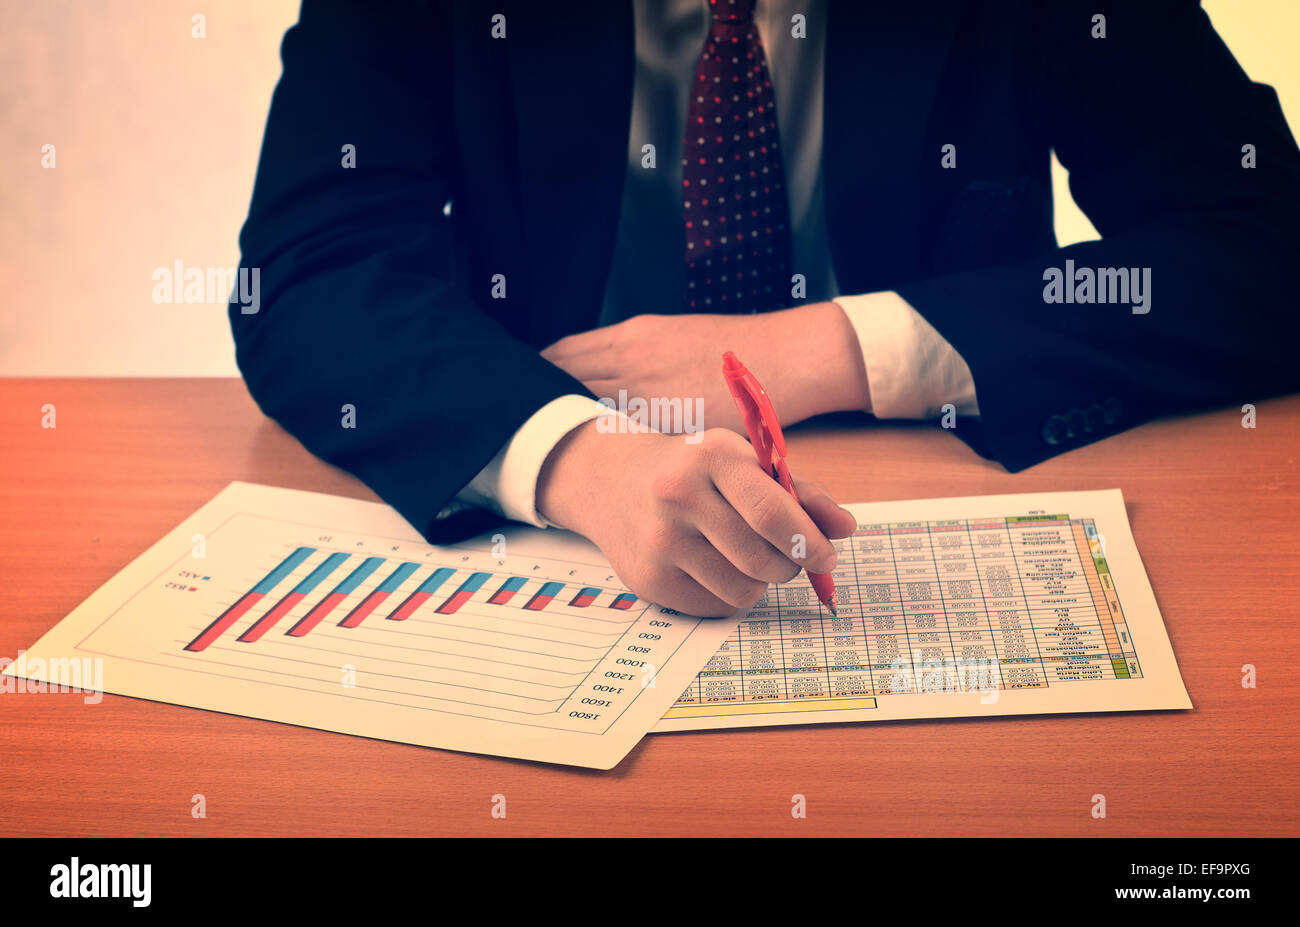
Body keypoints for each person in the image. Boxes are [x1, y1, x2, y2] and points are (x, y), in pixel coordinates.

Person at [231, 0, 1300, 617]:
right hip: (560, 543)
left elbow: (1264, 252)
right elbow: (311, 268)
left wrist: (830, 347)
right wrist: (579, 460)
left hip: (919, 507)